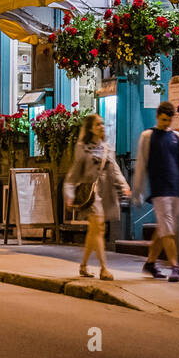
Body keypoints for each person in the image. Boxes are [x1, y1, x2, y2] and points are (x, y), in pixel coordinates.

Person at [132, 101, 179, 282]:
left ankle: (150, 263)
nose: (167, 123)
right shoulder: (147, 136)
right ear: (158, 116)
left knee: (164, 228)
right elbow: (141, 165)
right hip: (160, 190)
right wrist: (137, 192)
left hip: (176, 188)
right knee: (168, 230)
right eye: (164, 119)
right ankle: (175, 267)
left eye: (169, 120)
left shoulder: (177, 137)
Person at [63, 112, 130, 281]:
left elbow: (115, 169)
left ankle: (84, 266)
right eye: (97, 124)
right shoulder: (82, 148)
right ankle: (104, 269)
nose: (101, 127)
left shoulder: (107, 148)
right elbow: (73, 175)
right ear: (90, 129)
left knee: (94, 232)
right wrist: (69, 194)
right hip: (91, 195)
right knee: (99, 229)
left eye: (102, 124)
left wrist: (124, 185)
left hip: (105, 193)